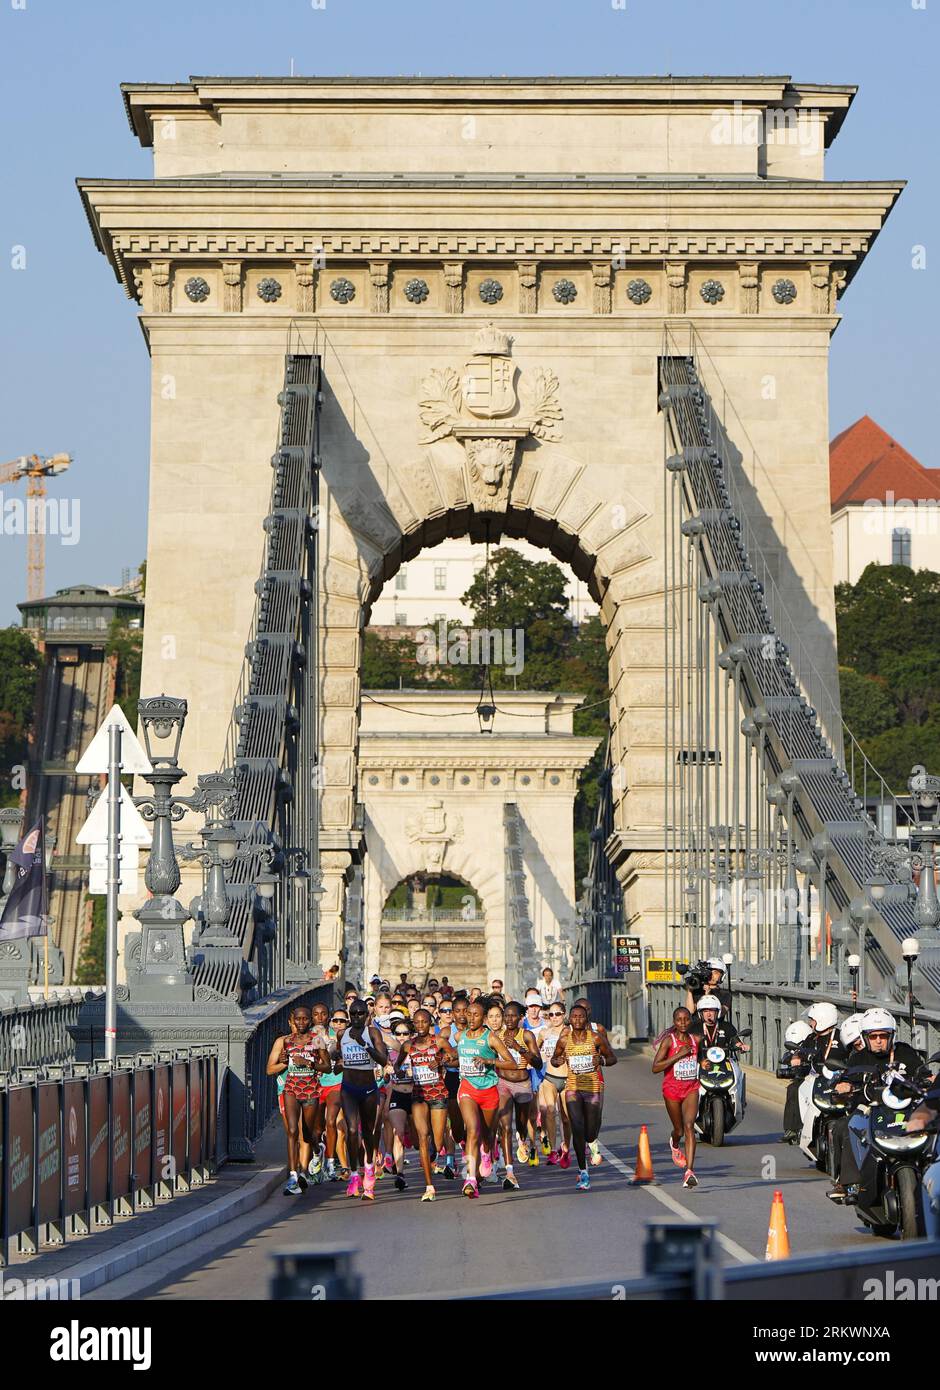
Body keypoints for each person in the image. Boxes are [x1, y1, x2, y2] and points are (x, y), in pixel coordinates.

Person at [455, 996, 521, 1198]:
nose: (471, 1017)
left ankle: (486, 1153)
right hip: (467, 1089)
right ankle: (471, 1179)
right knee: (472, 1130)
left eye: (476, 1015)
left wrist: (488, 1060)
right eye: (469, 1014)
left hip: (489, 1091)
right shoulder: (460, 1037)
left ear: (483, 1018)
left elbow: (512, 1063)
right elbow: (454, 1057)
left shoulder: (490, 1038)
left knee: (487, 1134)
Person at [266, 1004, 332, 1196]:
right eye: (298, 1019)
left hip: (311, 1091)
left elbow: (327, 1067)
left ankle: (316, 1152)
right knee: (292, 1131)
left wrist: (310, 1063)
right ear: (292, 1021)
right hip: (291, 1090)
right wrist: (284, 1062)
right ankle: (294, 1176)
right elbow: (271, 1068)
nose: (301, 1022)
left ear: (309, 1021)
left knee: (308, 1133)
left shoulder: (316, 1040)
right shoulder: (286, 1042)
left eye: (305, 1019)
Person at [551, 1004, 617, 1190]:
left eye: (581, 1016)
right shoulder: (564, 1040)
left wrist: (602, 1060)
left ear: (585, 1019)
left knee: (590, 1131)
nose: (578, 1020)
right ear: (569, 1019)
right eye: (574, 1017)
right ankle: (583, 1171)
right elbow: (554, 1059)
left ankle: (592, 1140)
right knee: (577, 1128)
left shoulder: (596, 1038)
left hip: (592, 1088)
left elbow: (612, 1058)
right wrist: (559, 1061)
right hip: (572, 1088)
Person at [396, 1008, 458, 1201]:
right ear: (413, 1024)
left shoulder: (438, 1041)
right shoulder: (408, 1045)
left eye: (424, 1022)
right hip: (419, 1094)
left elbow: (455, 1057)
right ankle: (429, 1186)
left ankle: (433, 1152)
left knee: (437, 1142)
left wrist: (441, 1059)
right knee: (422, 1137)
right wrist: (399, 1071)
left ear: (430, 1023)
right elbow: (398, 1064)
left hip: (438, 1093)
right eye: (417, 1022)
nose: (420, 1025)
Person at [334, 998, 389, 1199]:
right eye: (353, 1014)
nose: (357, 1017)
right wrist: (338, 1063)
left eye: (361, 1013)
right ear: (350, 1016)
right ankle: (354, 1175)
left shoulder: (372, 1033)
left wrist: (365, 1046)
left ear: (367, 1015)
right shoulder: (343, 1034)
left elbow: (383, 1060)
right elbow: (338, 1059)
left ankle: (369, 1167)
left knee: (368, 1131)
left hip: (368, 1089)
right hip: (348, 1088)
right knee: (351, 1130)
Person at [651, 1005, 700, 1188]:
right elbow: (655, 1068)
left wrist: (704, 1063)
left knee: (689, 1126)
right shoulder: (669, 1042)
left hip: (691, 1088)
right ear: (674, 1022)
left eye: (686, 1019)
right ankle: (674, 1142)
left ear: (690, 1020)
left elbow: (702, 1059)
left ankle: (689, 1172)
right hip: (672, 1089)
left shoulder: (696, 1040)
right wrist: (678, 1056)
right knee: (678, 1130)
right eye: (679, 1020)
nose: (683, 1023)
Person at [494, 1001, 542, 1188]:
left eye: (513, 1015)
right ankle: (510, 1172)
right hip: (503, 1083)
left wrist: (518, 1047)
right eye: (506, 1015)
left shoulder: (527, 1035)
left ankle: (522, 1138)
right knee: (505, 1127)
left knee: (521, 1124)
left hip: (523, 1083)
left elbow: (537, 1063)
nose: (509, 1019)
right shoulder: (496, 1036)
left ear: (521, 1017)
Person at [690, 994, 747, 1125]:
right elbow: (687, 1043)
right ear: (700, 1013)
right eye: (705, 1011)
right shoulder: (694, 1028)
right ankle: (691, 1110)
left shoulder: (726, 1026)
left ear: (718, 1012)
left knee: (739, 1074)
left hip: (724, 1064)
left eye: (712, 1011)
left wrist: (741, 1046)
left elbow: (735, 1040)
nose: (709, 1014)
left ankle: (740, 1103)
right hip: (701, 1063)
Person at [537, 1001, 572, 1166]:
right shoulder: (544, 1033)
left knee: (566, 1118)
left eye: (558, 1014)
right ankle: (551, 1150)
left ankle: (565, 1147)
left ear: (564, 1015)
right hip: (549, 1077)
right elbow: (534, 1051)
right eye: (551, 1014)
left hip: (566, 1078)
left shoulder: (570, 1033)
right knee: (550, 1112)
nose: (555, 1017)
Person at [320, 1005, 350, 1180]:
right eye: (335, 1020)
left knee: (337, 1125)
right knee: (317, 1129)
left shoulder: (351, 1039)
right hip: (319, 1085)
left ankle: (343, 1166)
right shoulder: (321, 1036)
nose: (338, 1024)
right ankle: (321, 1153)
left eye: (342, 1021)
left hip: (340, 1085)